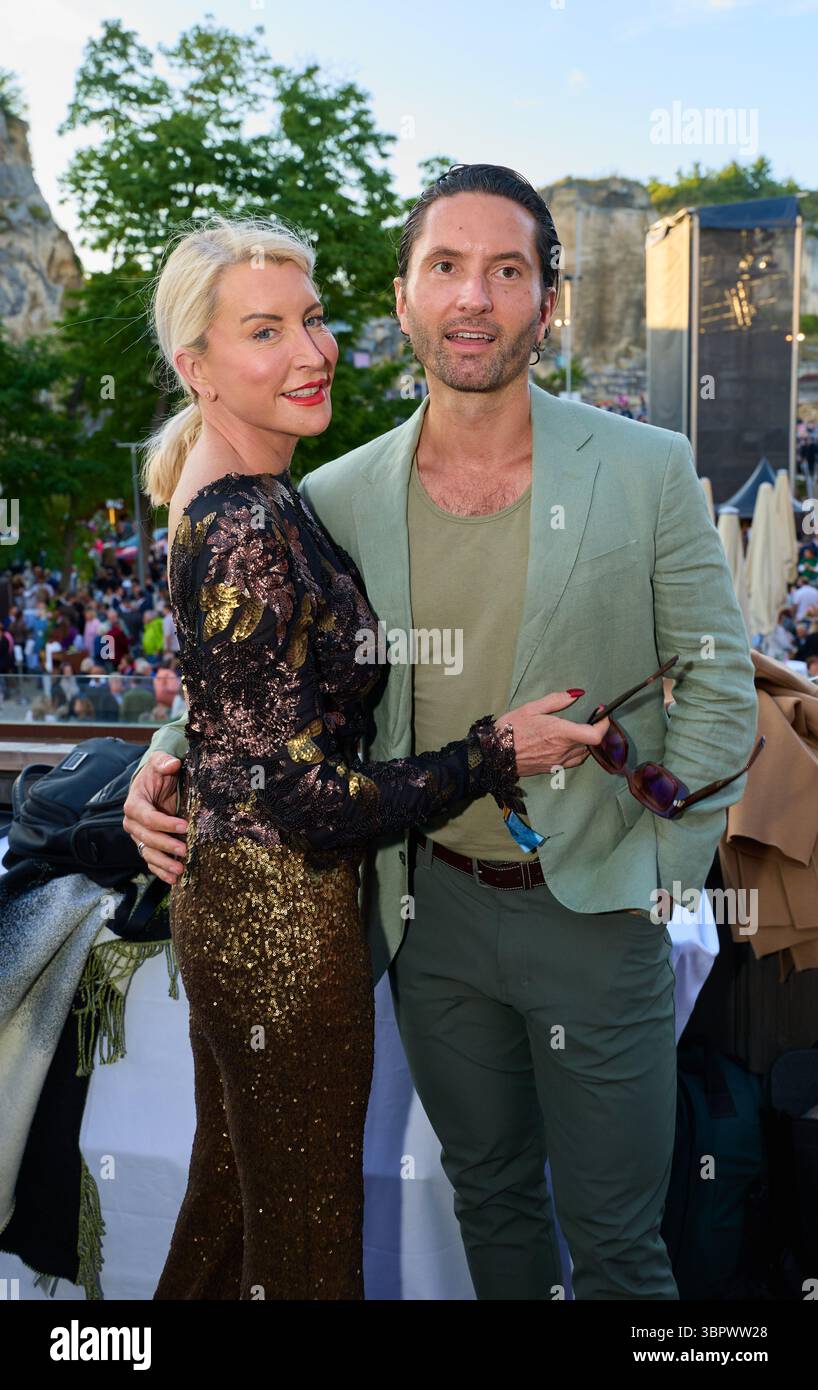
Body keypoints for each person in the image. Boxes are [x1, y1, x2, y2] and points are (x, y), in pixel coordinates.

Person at [125, 167, 758, 1301]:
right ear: (405, 300)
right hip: (427, 916)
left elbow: (720, 687)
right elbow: (252, 677)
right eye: (444, 268)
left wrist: (657, 870)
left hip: (599, 911)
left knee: (619, 1248)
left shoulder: (645, 467)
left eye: (506, 271)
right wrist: (159, 754)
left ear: (545, 303)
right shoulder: (337, 486)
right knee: (490, 1208)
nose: (474, 298)